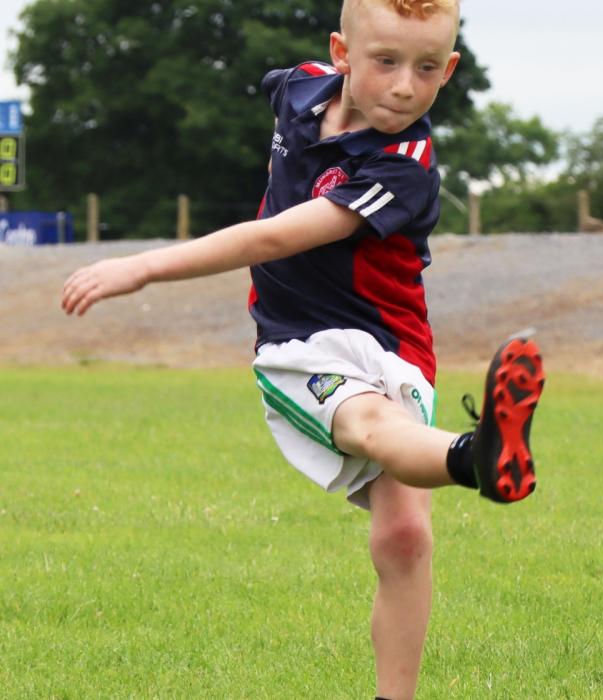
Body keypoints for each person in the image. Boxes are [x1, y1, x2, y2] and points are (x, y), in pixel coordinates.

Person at [60, 0, 544, 698]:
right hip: (301, 343)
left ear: (452, 69)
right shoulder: (302, 85)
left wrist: (142, 265)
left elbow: (275, 236)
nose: (407, 86)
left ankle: (479, 466)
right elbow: (275, 85)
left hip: (395, 344)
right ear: (342, 55)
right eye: (386, 62)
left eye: (428, 68)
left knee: (405, 534)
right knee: (373, 430)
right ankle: (477, 456)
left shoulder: (405, 165)